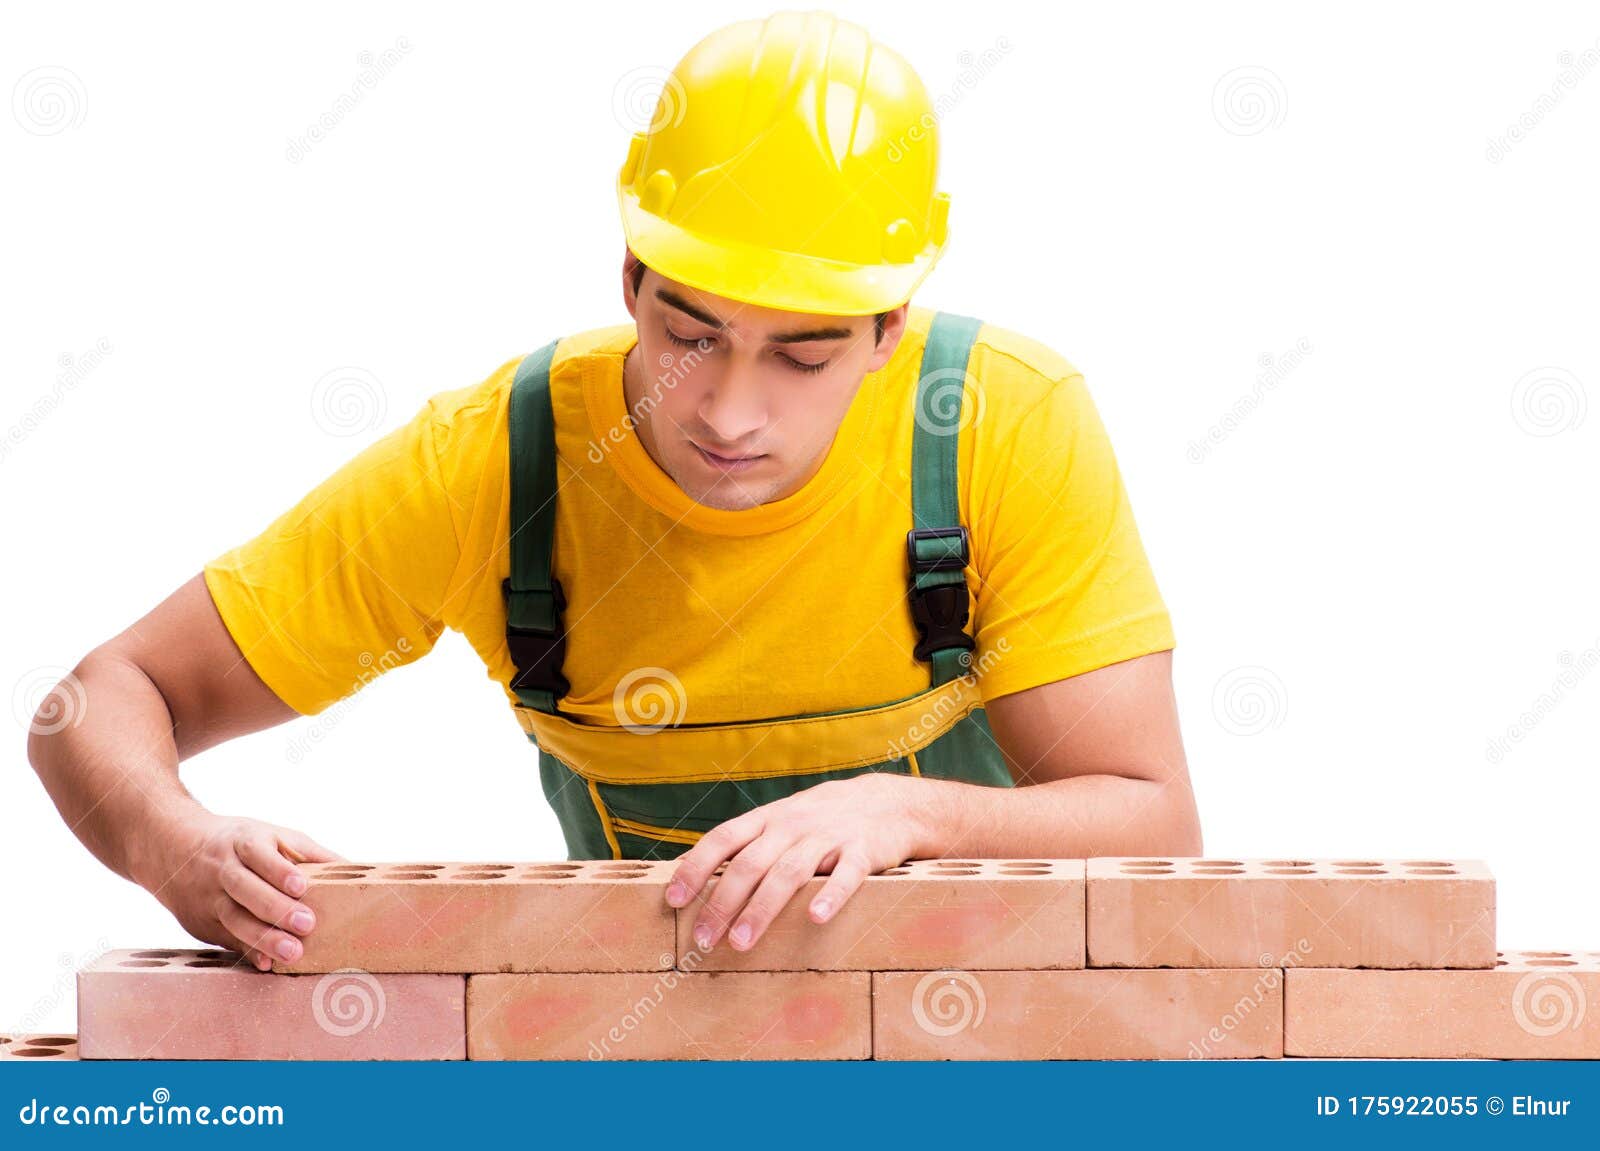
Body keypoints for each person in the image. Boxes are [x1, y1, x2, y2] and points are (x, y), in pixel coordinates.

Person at [28, 10, 1200, 972]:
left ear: (892, 323)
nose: (732, 412)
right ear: (630, 272)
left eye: (804, 354)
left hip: (994, 1070)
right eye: (689, 330)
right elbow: (94, 701)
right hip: (660, 1076)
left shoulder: (997, 424)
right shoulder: (502, 461)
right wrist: (170, 840)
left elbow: (1155, 827)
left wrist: (905, 816)